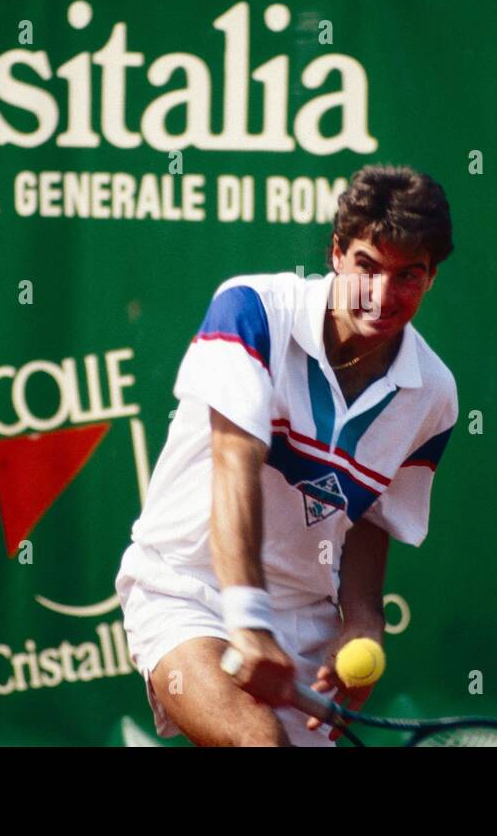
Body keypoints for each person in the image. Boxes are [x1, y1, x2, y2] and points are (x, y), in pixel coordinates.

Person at [114, 164, 458, 746]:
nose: (381, 295)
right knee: (257, 742)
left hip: (305, 625)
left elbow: (370, 521)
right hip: (184, 589)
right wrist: (248, 618)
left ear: (431, 280)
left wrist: (365, 625)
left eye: (408, 276)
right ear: (336, 253)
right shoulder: (251, 311)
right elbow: (233, 463)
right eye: (366, 267)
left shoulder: (433, 396)